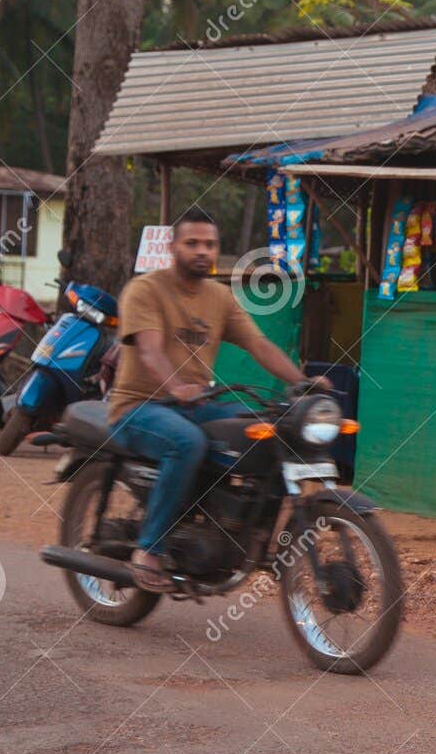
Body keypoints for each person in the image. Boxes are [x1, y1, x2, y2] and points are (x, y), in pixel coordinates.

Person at [107, 207, 329, 591]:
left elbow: (258, 344)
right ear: (173, 247)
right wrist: (176, 387)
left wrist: (304, 381)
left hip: (195, 405)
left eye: (209, 245)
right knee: (185, 442)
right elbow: (150, 351)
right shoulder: (144, 290)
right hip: (139, 406)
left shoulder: (219, 297)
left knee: (273, 431)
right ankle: (149, 549)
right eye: (192, 243)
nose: (201, 251)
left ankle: (246, 537)